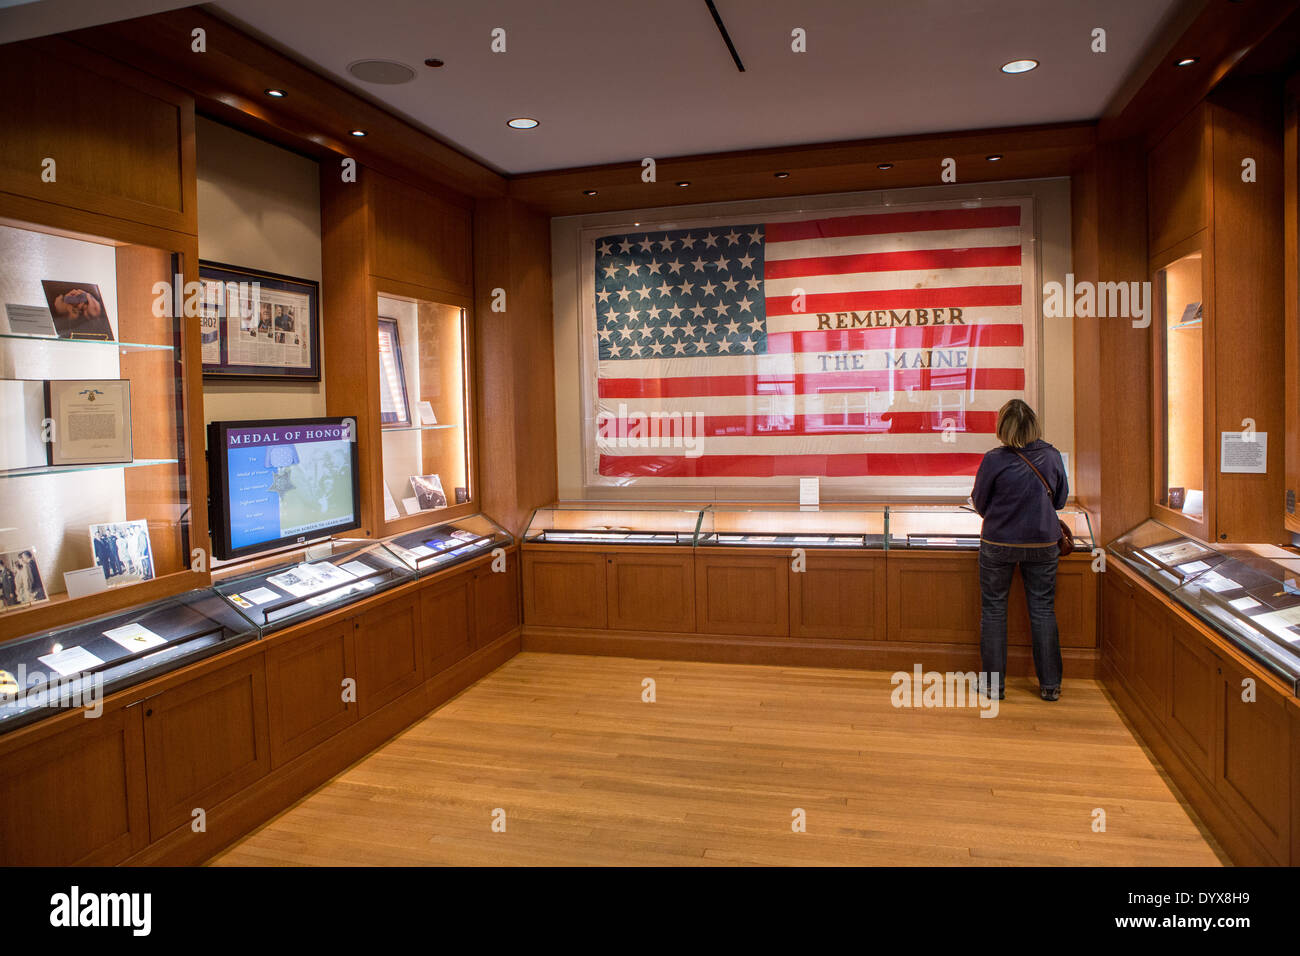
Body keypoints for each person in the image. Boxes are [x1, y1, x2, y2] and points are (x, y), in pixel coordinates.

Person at [971, 399, 1069, 702]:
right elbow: (1061, 500)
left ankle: (992, 686)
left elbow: (980, 503)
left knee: (994, 611)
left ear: (1003, 427)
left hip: (998, 544)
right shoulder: (1052, 457)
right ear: (1034, 425)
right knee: (1042, 610)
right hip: (1042, 543)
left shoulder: (993, 460)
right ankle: (1050, 685)